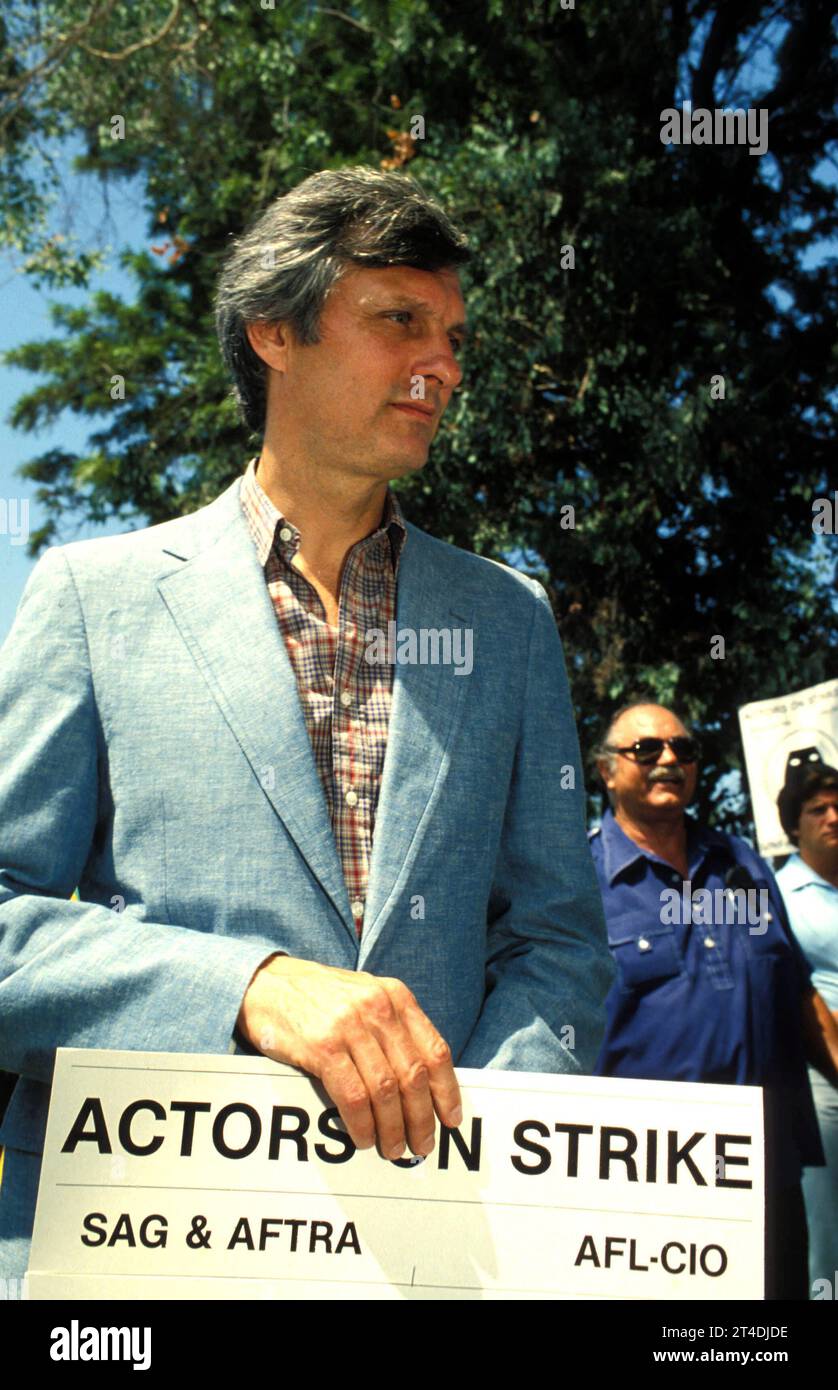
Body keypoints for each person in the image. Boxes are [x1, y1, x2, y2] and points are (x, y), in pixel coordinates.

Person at [0, 166, 613, 1281]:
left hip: (433, 1251)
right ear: (273, 332)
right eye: (399, 320)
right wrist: (249, 988)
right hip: (144, 1254)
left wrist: (476, 1128)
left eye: (454, 336)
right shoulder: (94, 595)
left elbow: (556, 939)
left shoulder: (508, 620)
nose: (442, 365)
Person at [588, 700, 838, 1301]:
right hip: (643, 1179)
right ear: (606, 771)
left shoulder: (743, 864)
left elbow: (796, 991)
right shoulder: (578, 879)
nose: (669, 758)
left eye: (684, 748)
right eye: (647, 749)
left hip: (765, 1167)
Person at [776, 762, 838, 1297]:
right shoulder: (779, 895)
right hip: (823, 1082)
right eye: (818, 810)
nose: (833, 817)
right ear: (794, 826)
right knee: (826, 1232)